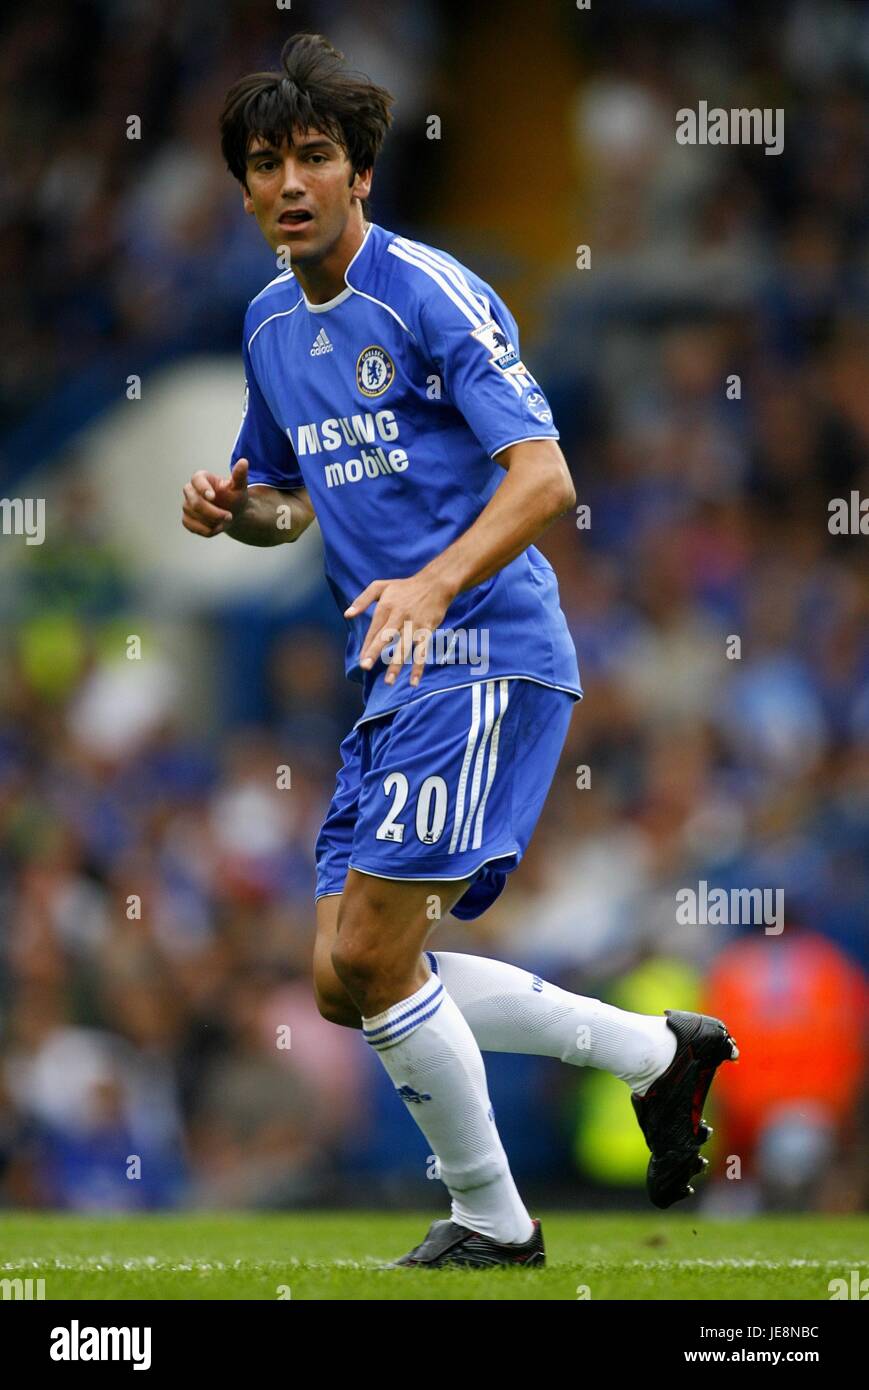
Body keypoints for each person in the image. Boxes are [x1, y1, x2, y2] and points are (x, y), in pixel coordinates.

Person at [182, 32, 737, 1267]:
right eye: (264, 162)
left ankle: (495, 1224)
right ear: (243, 186)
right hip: (396, 667)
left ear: (359, 173)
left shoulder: (427, 290)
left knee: (378, 956)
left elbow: (542, 479)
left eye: (313, 157)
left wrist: (433, 582)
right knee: (343, 977)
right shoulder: (271, 324)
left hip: (485, 645)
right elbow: (286, 501)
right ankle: (657, 1054)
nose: (288, 182)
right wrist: (238, 508)